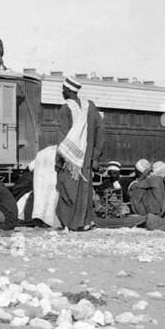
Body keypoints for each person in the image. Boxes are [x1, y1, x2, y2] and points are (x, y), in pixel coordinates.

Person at [55, 75, 105, 231]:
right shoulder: (90, 107)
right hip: (86, 159)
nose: (62, 92)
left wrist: (58, 161)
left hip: (70, 160)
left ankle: (69, 223)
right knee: (84, 191)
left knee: (67, 189)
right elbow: (101, 131)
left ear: (69, 91)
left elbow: (63, 137)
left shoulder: (65, 109)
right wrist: (95, 155)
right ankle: (83, 223)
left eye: (63, 90)